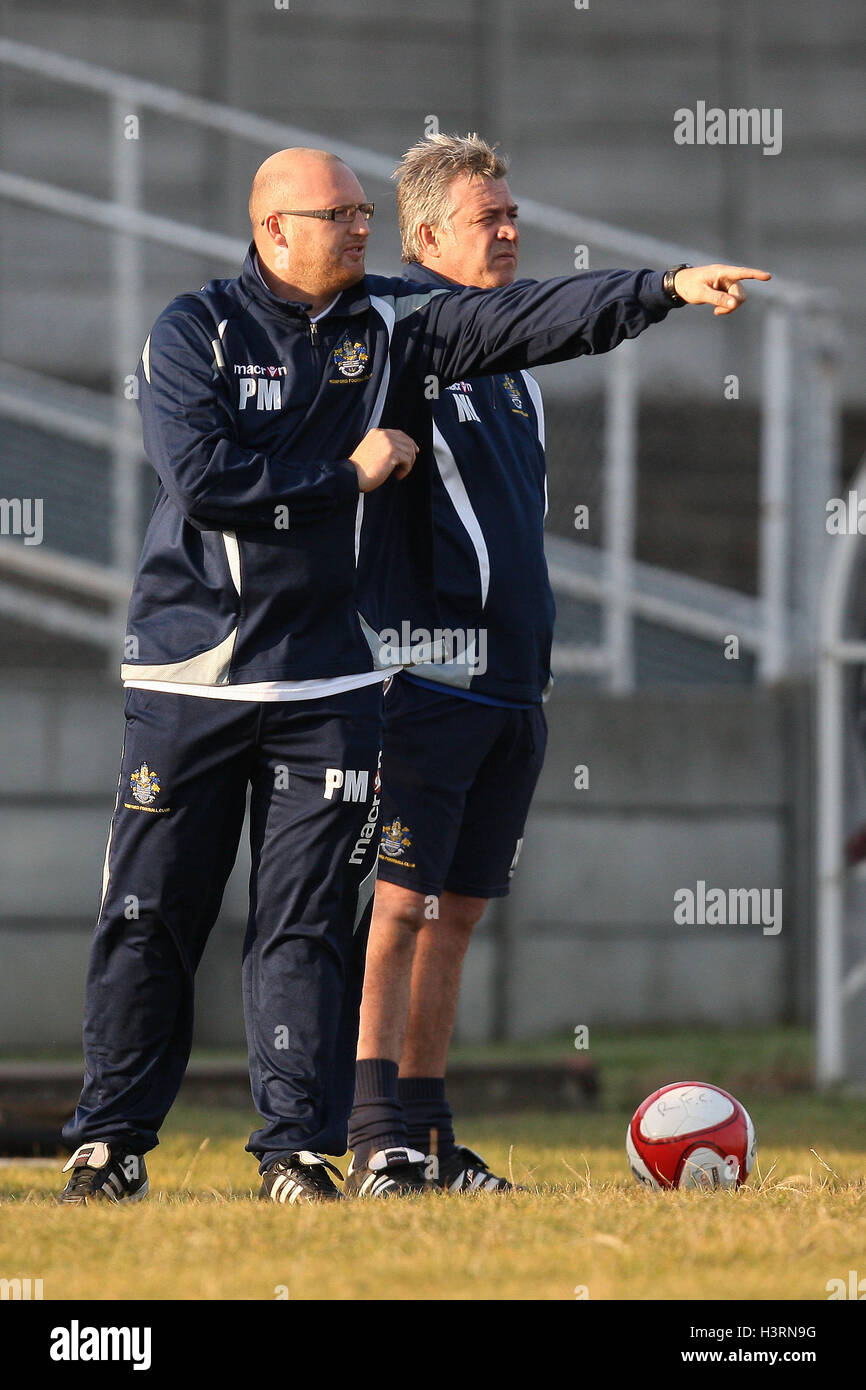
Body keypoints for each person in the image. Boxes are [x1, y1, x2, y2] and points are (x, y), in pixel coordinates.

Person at [58, 144, 769, 1205]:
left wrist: (659, 287)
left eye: (360, 211)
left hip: (329, 685)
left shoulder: (395, 323)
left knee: (304, 927)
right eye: (337, 214)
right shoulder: (192, 328)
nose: (359, 228)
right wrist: (348, 471)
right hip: (197, 675)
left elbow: (534, 317)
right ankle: (111, 1142)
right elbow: (205, 483)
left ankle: (298, 1149)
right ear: (272, 231)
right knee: (152, 914)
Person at [346, 133, 773, 1197]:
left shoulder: (506, 368)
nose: (509, 230)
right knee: (397, 907)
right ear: (426, 233)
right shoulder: (404, 330)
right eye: (488, 217)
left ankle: (430, 1137)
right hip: (424, 676)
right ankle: (371, 1138)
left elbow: (524, 331)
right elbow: (548, 313)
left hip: (510, 684)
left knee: (455, 914)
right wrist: (665, 285)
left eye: (512, 213)